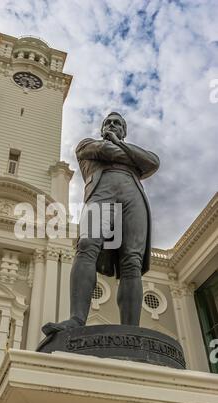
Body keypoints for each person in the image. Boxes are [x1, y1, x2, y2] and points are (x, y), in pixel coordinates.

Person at [42, 112, 160, 336]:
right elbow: (107, 151)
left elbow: (153, 162)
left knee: (132, 262)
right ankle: (77, 319)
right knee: (87, 245)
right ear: (102, 128)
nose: (113, 125)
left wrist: (120, 146)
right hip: (101, 193)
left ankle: (130, 331)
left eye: (118, 123)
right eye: (109, 122)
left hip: (133, 197)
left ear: (124, 131)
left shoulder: (122, 147)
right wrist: (130, 154)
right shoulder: (87, 144)